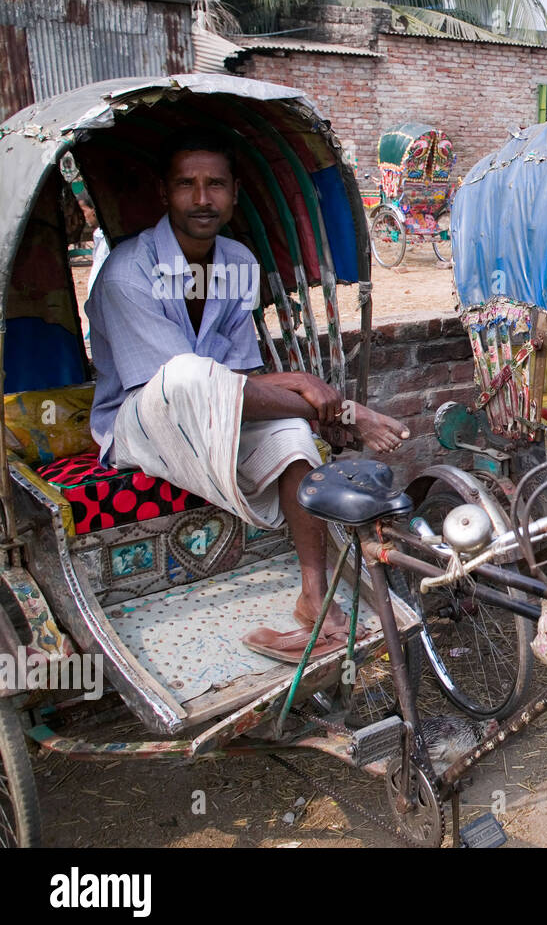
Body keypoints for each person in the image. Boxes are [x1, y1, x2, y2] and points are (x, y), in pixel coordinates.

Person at [85, 129, 409, 662]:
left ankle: (312, 597)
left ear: (234, 194)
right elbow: (176, 385)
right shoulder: (128, 272)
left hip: (215, 404)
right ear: (164, 194)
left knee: (290, 432)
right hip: (142, 421)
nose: (202, 198)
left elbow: (242, 376)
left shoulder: (237, 261)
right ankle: (347, 413)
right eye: (187, 185)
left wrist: (302, 393)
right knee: (189, 375)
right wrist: (330, 400)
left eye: (215, 184)